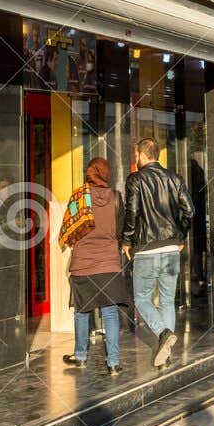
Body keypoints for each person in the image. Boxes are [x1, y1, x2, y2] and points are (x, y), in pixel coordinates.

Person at [121, 137, 194, 368]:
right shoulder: (175, 179)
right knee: (167, 301)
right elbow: (189, 211)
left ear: (142, 155)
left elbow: (131, 213)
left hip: (146, 249)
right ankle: (166, 355)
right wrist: (180, 236)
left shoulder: (135, 179)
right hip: (172, 249)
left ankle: (162, 333)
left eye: (136, 155)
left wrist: (126, 241)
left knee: (141, 299)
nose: (135, 158)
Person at [62, 157, 131, 375]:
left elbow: (69, 227)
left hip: (83, 263)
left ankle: (81, 356)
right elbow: (120, 231)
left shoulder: (78, 196)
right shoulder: (117, 198)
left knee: (82, 312)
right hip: (109, 262)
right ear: (107, 174)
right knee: (110, 313)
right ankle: (113, 362)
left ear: (89, 173)